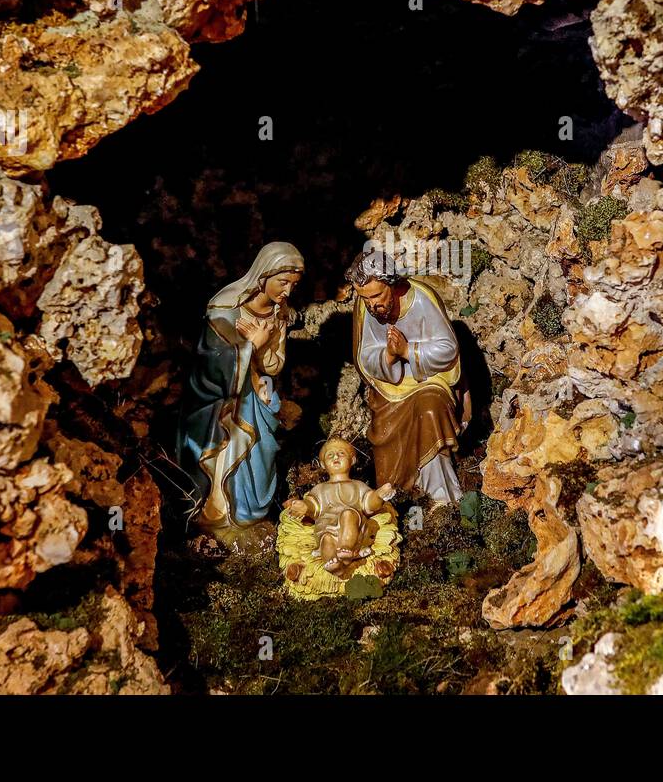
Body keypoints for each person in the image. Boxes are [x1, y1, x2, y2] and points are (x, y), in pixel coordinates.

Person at [176, 241, 304, 545]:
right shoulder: (225, 308)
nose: (287, 291)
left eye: (294, 285)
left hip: (254, 391)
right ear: (263, 276)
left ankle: (249, 516)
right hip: (217, 401)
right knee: (233, 438)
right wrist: (251, 346)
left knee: (264, 447)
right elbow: (212, 365)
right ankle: (218, 517)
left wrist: (269, 341)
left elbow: (273, 366)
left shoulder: (280, 311)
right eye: (282, 282)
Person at [347, 250, 466, 505]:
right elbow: (364, 355)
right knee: (385, 429)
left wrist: (406, 351)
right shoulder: (366, 308)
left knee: (429, 410)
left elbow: (448, 348)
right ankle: (398, 498)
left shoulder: (421, 299)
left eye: (376, 295)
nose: (371, 305)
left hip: (429, 381)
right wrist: (388, 357)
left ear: (393, 284)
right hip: (390, 386)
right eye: (364, 298)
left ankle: (440, 495)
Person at [283, 438, 395, 573]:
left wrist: (378, 495)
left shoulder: (358, 486)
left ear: (352, 460)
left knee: (349, 514)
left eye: (341, 453)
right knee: (326, 540)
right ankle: (334, 563)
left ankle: (347, 547)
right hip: (326, 527)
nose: (335, 456)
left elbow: (368, 504)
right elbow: (314, 506)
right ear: (323, 464)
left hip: (354, 529)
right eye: (330, 455)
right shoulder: (319, 489)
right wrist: (305, 507)